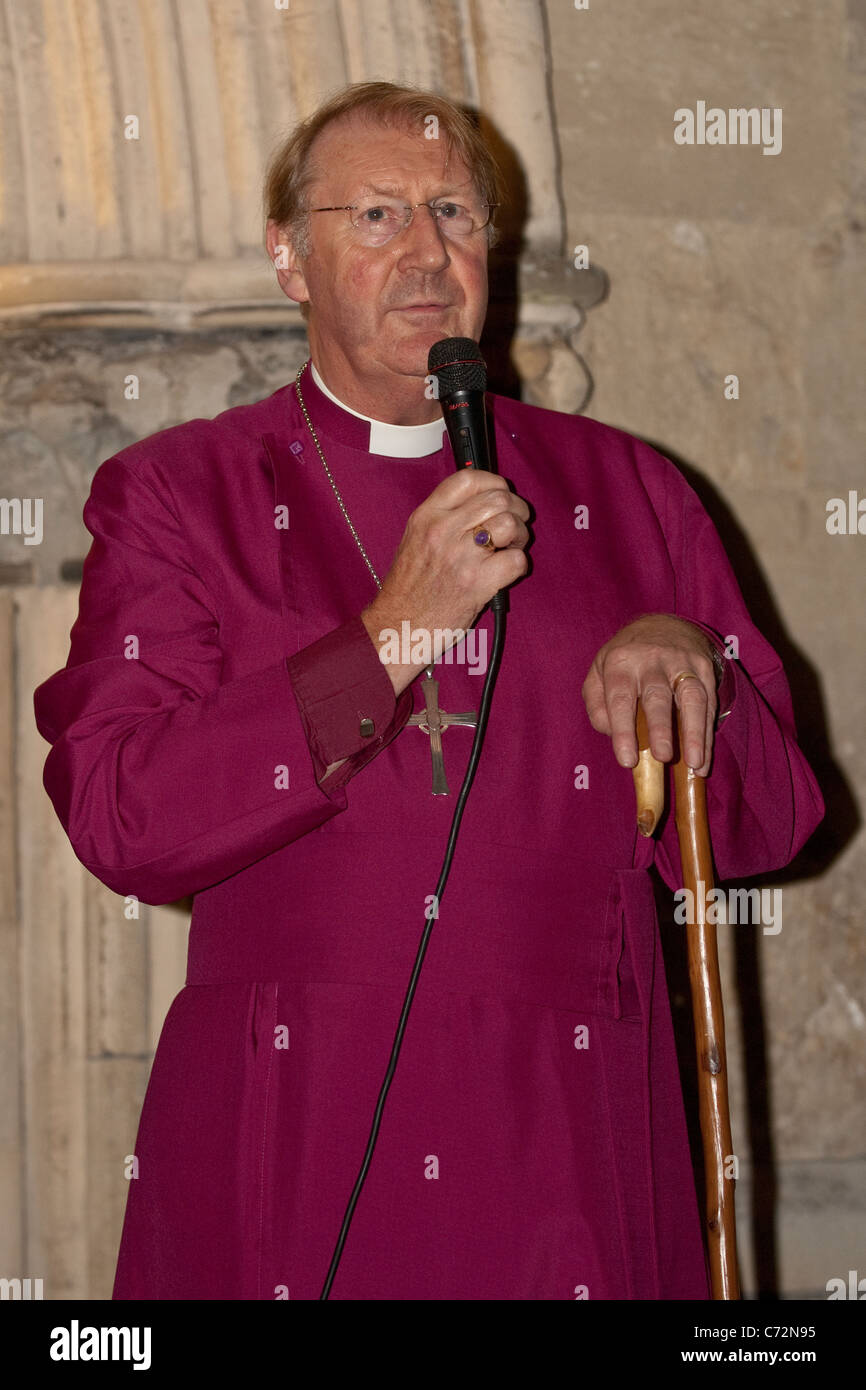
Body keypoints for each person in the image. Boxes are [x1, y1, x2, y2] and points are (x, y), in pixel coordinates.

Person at [34, 81, 823, 1301]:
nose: (425, 252)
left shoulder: (629, 493)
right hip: (295, 1114)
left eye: (454, 214)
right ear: (288, 259)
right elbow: (122, 814)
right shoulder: (180, 495)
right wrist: (390, 633)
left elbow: (772, 824)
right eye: (376, 215)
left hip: (571, 1122)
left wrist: (696, 673)